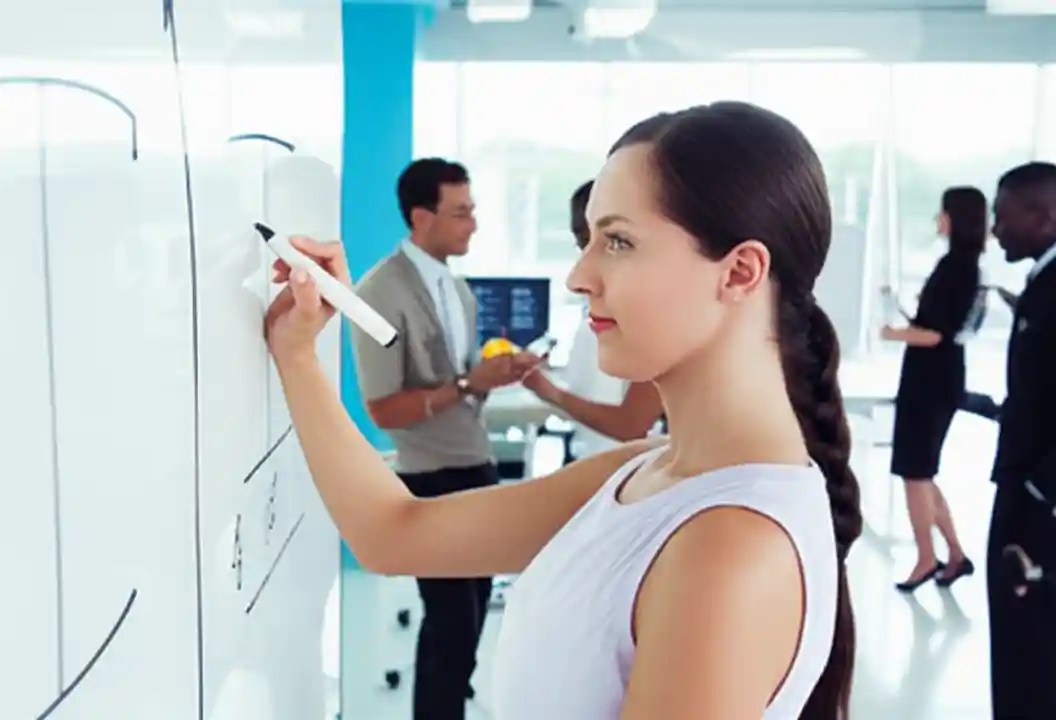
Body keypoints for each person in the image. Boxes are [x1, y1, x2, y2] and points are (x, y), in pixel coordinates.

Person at [264, 102, 860, 718]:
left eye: (619, 242)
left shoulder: (731, 547)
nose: (578, 276)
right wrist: (297, 354)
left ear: (739, 272)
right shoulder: (647, 470)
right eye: (590, 241)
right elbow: (393, 536)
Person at [347, 157, 528, 719]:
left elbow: (462, 383)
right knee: (452, 622)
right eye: (461, 213)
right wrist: (470, 382)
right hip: (432, 475)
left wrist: (490, 379)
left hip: (476, 465)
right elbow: (384, 409)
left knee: (471, 617)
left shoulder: (459, 289)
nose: (472, 224)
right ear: (421, 217)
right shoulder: (379, 293)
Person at [880, 186, 987, 592]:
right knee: (921, 472)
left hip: (932, 380)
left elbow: (936, 335)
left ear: (956, 218)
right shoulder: (959, 264)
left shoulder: (959, 267)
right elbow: (938, 322)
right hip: (933, 377)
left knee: (915, 472)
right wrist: (908, 319)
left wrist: (894, 333)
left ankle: (926, 559)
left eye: (942, 213)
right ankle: (955, 556)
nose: (937, 220)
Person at [985, 160, 1056, 719]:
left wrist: (1039, 492)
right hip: (1024, 484)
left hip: (1040, 504)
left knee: (1029, 646)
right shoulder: (1041, 282)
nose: (994, 230)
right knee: (1015, 642)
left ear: (1045, 215)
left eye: (1002, 216)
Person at [522, 180, 665, 459]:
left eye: (611, 243)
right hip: (592, 459)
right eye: (583, 243)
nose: (578, 277)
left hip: (625, 468)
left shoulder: (653, 312)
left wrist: (551, 392)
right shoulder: (597, 304)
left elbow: (632, 424)